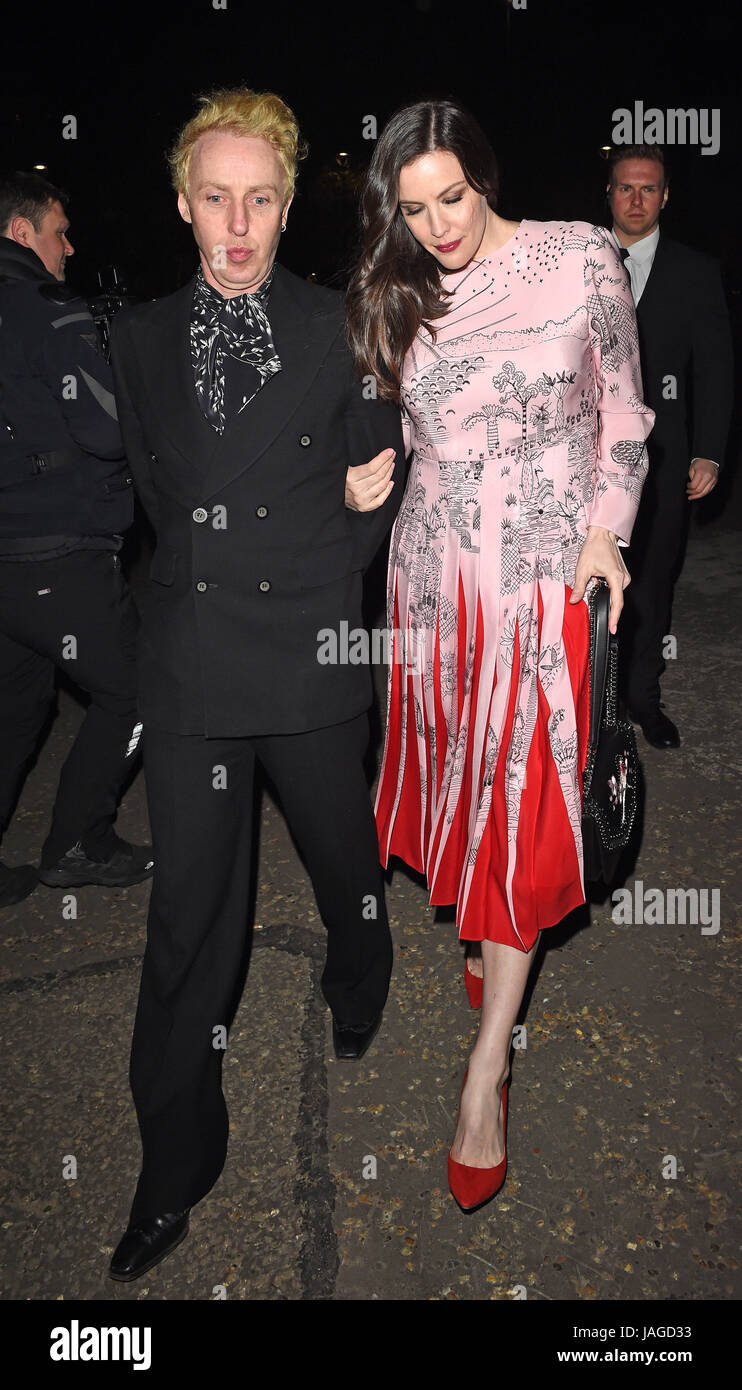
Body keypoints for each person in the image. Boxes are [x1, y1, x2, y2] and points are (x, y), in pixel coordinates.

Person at [107, 88, 405, 1281]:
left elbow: (378, 497)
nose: (240, 223)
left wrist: (329, 540)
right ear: (184, 207)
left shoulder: (345, 326)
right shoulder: (130, 340)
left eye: (263, 199)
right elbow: (154, 511)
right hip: (191, 676)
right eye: (217, 198)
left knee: (345, 858)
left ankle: (362, 965)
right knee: (187, 926)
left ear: (289, 207)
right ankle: (175, 1160)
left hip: (313, 655)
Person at [345, 100, 654, 1211]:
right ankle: (484, 933)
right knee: (463, 789)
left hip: (536, 590)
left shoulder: (579, 259)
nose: (437, 226)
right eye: (412, 208)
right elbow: (381, 426)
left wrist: (604, 524)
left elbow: (622, 410)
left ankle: (487, 1071)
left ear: (486, 175)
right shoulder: (399, 290)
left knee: (522, 813)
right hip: (431, 588)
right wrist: (354, 478)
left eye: (453, 198)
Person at [0, 171, 154, 908]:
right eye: (58, 230)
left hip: (9, 562)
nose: (69, 245)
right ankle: (77, 843)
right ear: (21, 232)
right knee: (138, 685)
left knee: (18, 708)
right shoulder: (44, 304)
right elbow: (106, 425)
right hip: (54, 553)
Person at [605, 145, 733, 748]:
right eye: (625, 188)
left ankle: (642, 700)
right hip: (580, 458)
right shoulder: (577, 259)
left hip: (663, 460)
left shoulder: (695, 270)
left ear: (665, 197)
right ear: (609, 193)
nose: (636, 200)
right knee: (583, 585)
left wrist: (707, 450)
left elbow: (714, 367)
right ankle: (583, 702)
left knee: (653, 579)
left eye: (648, 189)